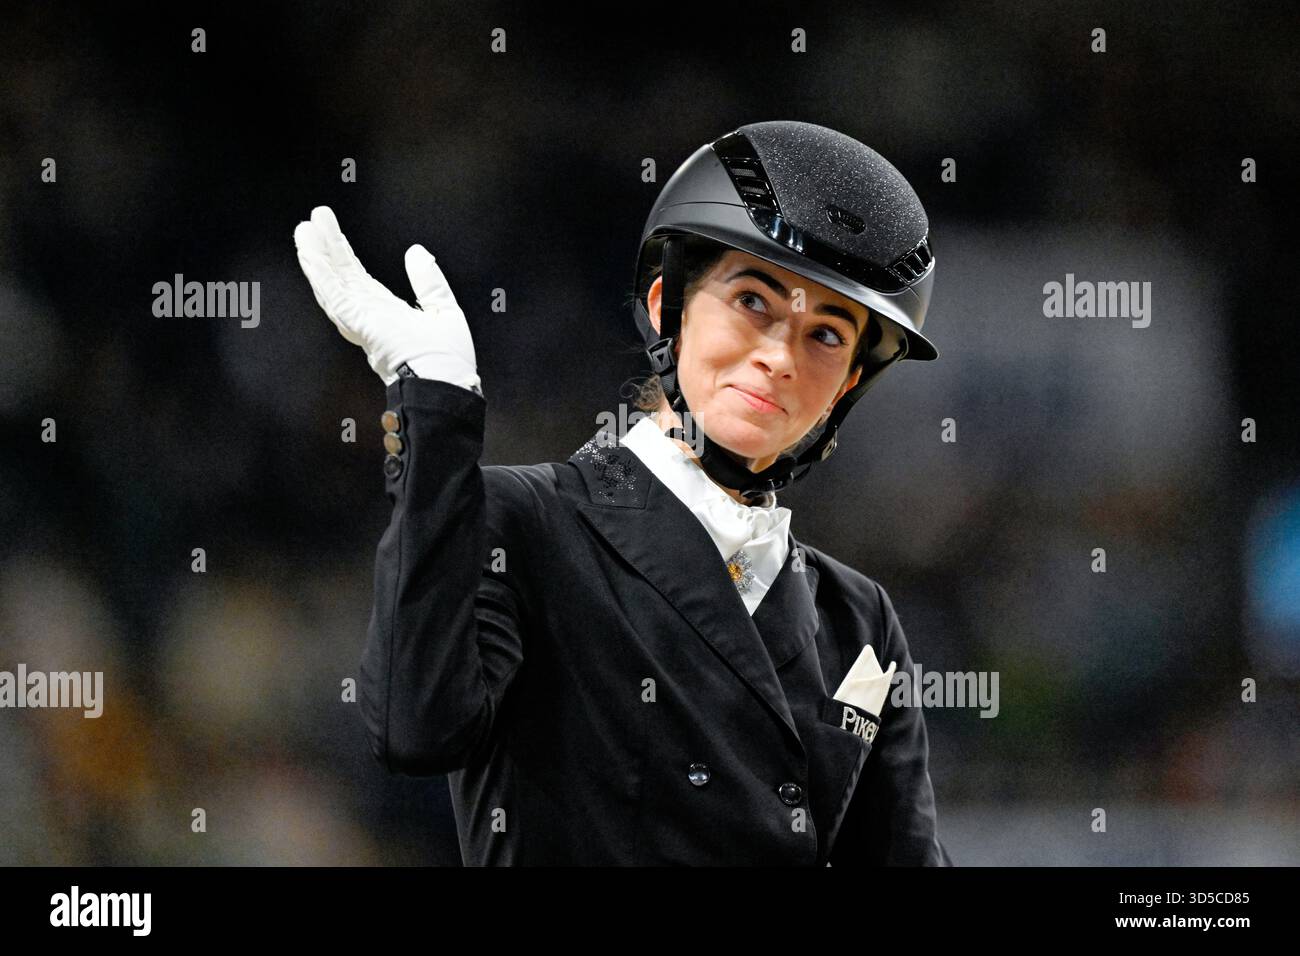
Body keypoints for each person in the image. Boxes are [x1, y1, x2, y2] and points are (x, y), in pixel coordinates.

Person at [294, 120, 953, 865]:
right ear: (666, 304)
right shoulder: (524, 523)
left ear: (852, 382)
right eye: (754, 303)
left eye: (827, 335)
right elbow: (417, 729)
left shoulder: (857, 617)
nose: (778, 358)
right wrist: (436, 415)